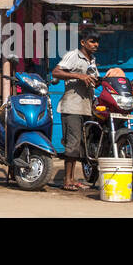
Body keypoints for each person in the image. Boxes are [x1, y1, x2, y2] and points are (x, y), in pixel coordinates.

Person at [52, 26, 100, 191]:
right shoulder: (73, 55)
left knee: (79, 145)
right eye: (92, 41)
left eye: (97, 42)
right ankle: (67, 181)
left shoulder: (92, 60)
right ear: (83, 42)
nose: (95, 45)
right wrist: (79, 75)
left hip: (85, 108)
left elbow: (94, 79)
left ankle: (72, 179)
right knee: (72, 144)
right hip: (72, 106)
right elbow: (56, 72)